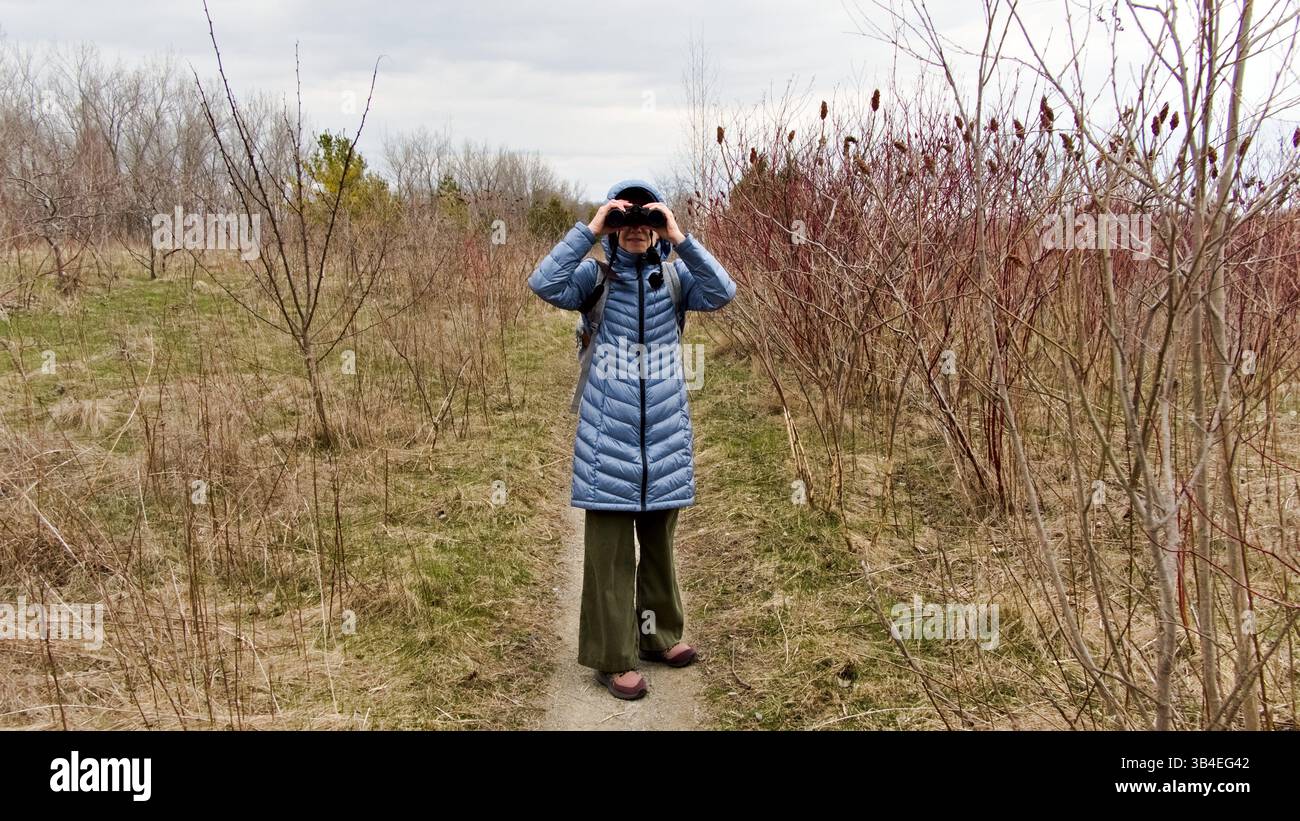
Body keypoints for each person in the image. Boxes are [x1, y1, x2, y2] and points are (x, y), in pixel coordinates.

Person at [527, 178, 737, 700]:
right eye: (627, 220)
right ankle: (612, 656)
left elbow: (723, 291)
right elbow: (542, 282)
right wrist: (592, 227)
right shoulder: (592, 278)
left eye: (648, 220)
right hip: (607, 440)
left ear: (660, 226)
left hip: (664, 437)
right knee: (610, 555)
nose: (638, 229)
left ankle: (657, 637)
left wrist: (681, 237)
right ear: (615, 228)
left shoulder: (675, 278)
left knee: (660, 547)